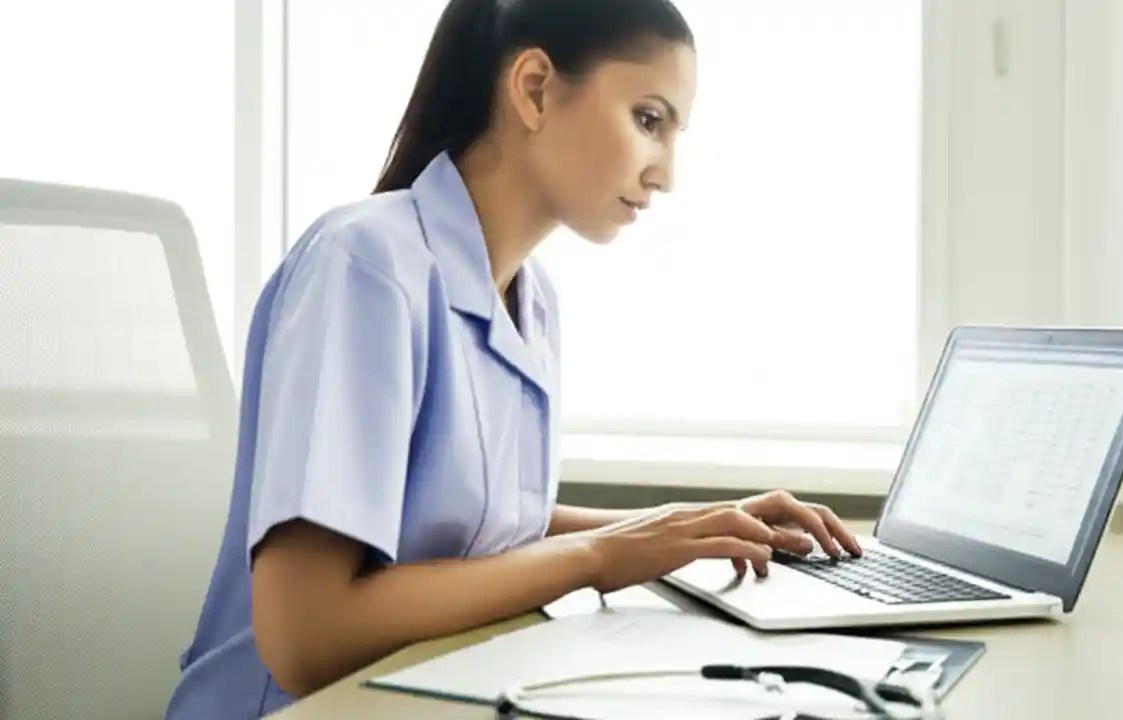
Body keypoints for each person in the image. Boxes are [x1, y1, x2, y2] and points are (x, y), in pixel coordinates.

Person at [166, 1, 861, 717]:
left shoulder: (533, 300)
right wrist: (598, 558)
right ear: (533, 87)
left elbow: (489, 525)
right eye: (649, 120)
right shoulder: (366, 264)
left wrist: (690, 528)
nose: (666, 175)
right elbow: (305, 636)